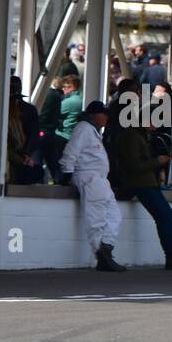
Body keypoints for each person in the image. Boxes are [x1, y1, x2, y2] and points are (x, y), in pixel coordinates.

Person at [115, 96, 172, 271]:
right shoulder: (132, 136)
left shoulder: (139, 135)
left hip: (144, 182)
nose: (157, 124)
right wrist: (158, 161)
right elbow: (134, 165)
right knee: (166, 215)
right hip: (139, 183)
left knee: (166, 215)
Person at [59, 101, 126, 272]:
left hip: (100, 180)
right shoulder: (83, 128)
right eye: (103, 114)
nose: (106, 118)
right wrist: (67, 173)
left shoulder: (93, 131)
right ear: (94, 115)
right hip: (90, 178)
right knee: (96, 218)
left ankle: (106, 247)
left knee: (114, 215)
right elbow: (71, 151)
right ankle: (101, 254)